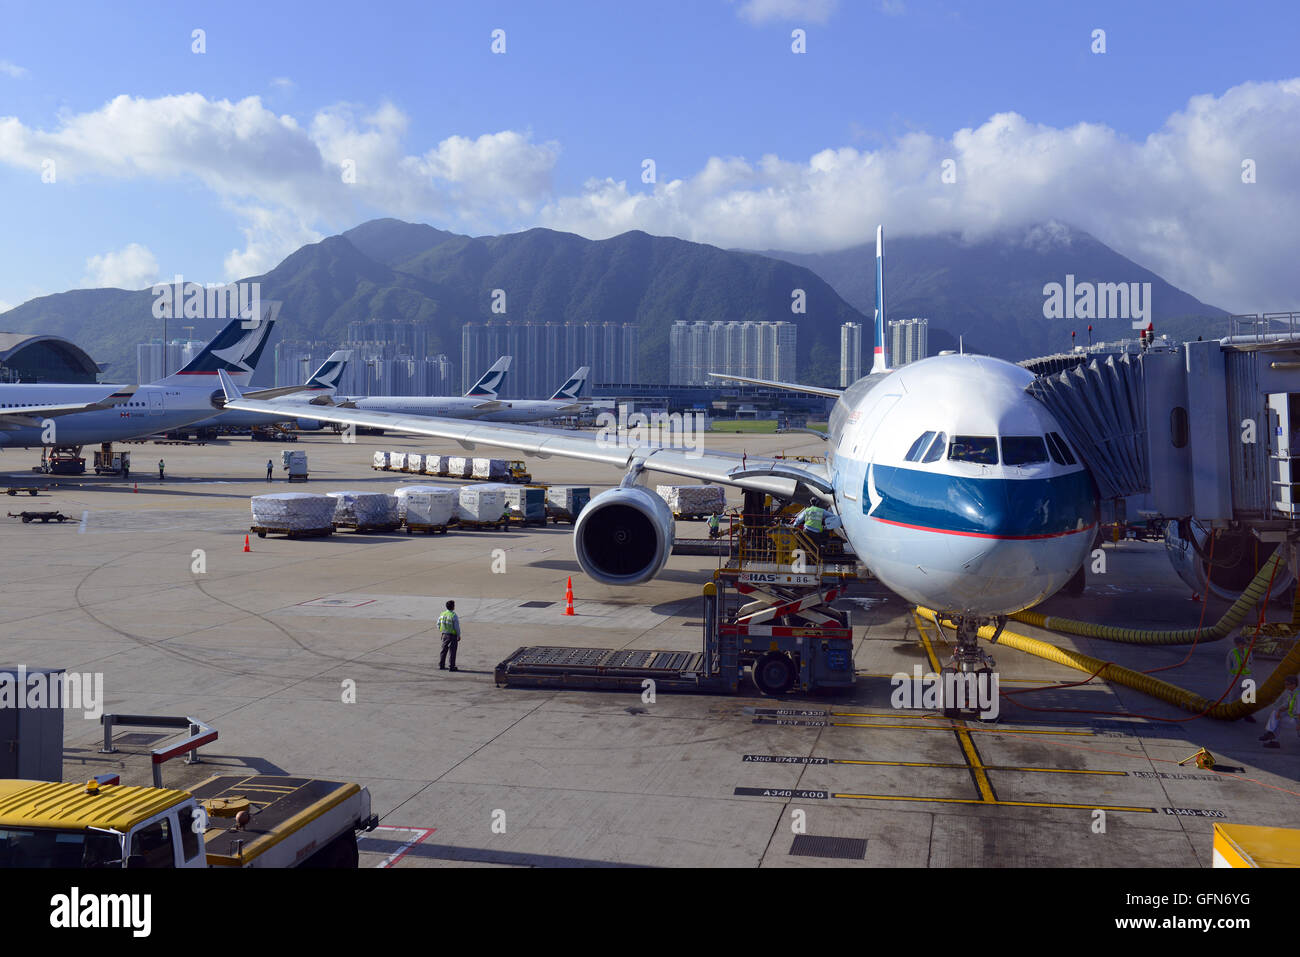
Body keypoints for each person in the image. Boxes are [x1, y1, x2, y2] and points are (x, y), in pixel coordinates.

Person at [1259, 674, 1299, 748]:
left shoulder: (1298, 695)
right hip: (1293, 717)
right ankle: (1272, 736)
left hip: (1297, 720)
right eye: (1285, 684)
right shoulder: (1291, 693)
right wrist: (1278, 711)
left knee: (1278, 721)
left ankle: (1272, 735)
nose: (1286, 686)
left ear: (1294, 684)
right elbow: (1286, 705)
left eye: (1287, 684)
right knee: (1276, 716)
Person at [1227, 632, 1256, 722]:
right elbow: (1228, 666)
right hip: (1235, 677)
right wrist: (1233, 674)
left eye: (1243, 644)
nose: (1242, 646)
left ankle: (1247, 714)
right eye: (1240, 644)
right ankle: (1231, 713)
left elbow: (1250, 663)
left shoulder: (1248, 652)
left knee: (1249, 696)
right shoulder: (1232, 653)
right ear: (1236, 644)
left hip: (1247, 676)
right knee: (1233, 696)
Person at [438, 599, 461, 672]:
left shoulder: (442, 614)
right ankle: (451, 666)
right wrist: (458, 635)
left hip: (444, 634)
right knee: (452, 651)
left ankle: (441, 664)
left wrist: (442, 631)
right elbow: (456, 627)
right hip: (452, 636)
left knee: (443, 650)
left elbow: (438, 624)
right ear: (453, 607)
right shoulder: (453, 615)